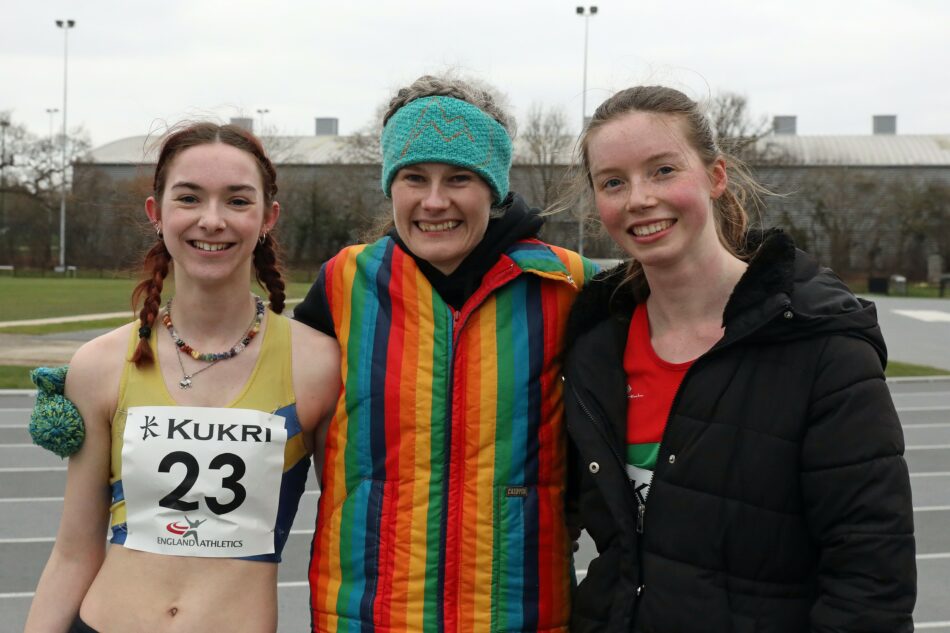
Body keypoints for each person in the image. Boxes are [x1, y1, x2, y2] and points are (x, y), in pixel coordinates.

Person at [560, 86, 917, 632]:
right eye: (613, 182)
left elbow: (870, 580)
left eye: (662, 171)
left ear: (715, 176)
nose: (638, 198)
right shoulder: (593, 348)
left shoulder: (822, 347)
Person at [293, 74, 596, 632]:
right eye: (414, 178)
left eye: (459, 178)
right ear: (391, 186)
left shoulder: (571, 285)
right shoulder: (342, 284)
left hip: (521, 616)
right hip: (365, 617)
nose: (435, 201)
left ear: (494, 188)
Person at [24, 122, 341, 633]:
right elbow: (72, 553)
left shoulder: (319, 366)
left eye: (237, 201)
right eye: (189, 198)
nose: (211, 220)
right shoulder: (101, 365)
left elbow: (347, 551)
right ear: (158, 213)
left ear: (268, 218)